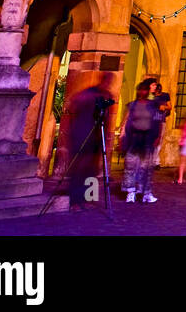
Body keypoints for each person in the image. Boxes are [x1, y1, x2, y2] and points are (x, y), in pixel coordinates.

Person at [64, 73, 114, 212]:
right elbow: (74, 105)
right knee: (79, 168)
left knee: (92, 170)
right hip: (82, 133)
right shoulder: (88, 93)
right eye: (107, 81)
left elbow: (107, 117)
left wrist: (107, 138)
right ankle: (75, 200)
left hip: (97, 136)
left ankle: (88, 198)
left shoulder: (107, 95)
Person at [121, 81, 160, 203]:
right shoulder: (132, 105)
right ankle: (130, 192)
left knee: (146, 167)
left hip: (147, 138)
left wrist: (157, 136)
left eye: (144, 90)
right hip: (135, 138)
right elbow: (127, 120)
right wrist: (123, 135)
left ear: (147, 91)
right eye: (140, 89)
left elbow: (157, 121)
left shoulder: (153, 105)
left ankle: (145, 193)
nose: (142, 92)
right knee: (130, 165)